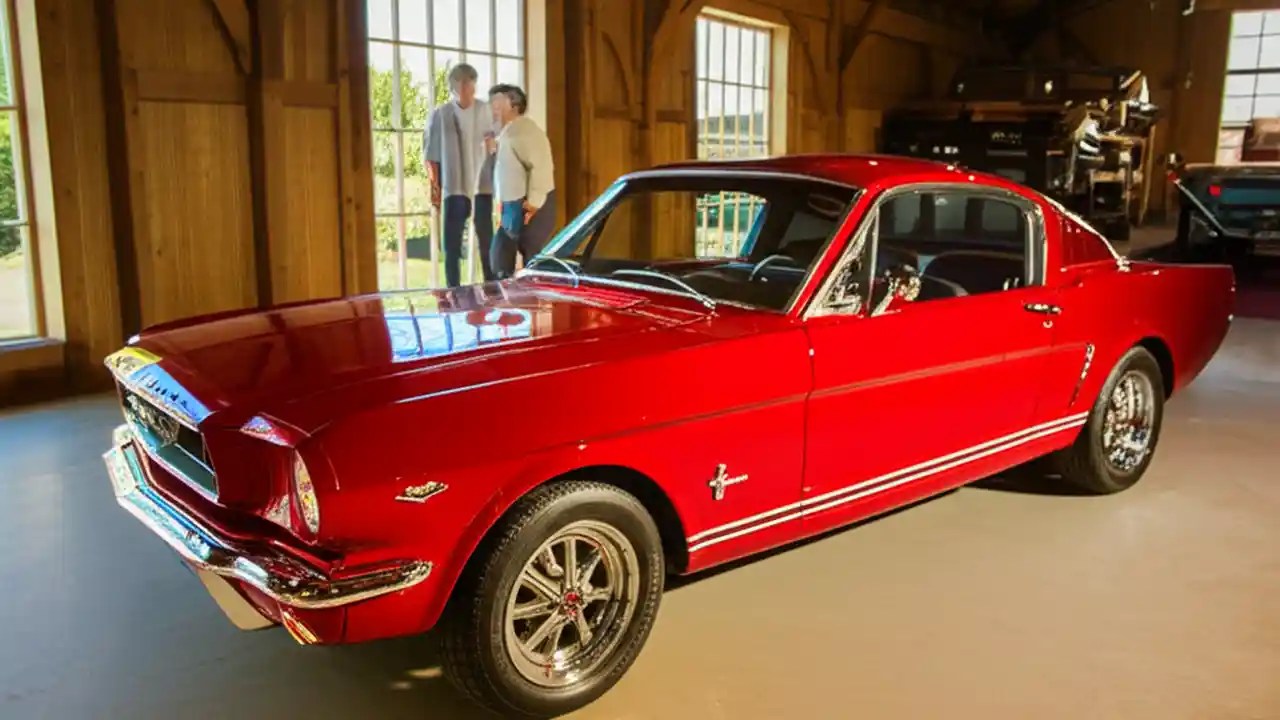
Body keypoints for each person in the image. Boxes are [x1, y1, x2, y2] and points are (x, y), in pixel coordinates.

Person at [424, 64, 497, 287]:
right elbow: (432, 156)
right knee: (452, 248)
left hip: (482, 187)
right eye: (461, 83)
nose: (466, 87)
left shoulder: (486, 110)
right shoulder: (441, 114)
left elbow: (499, 146)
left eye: (470, 82)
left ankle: (491, 291)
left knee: (487, 243)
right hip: (454, 188)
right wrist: (435, 189)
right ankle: (453, 293)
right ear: (453, 86)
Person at [487, 84, 556, 279]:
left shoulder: (524, 130)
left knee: (527, 258)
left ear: (514, 105)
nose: (492, 107)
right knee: (502, 256)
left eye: (497, 102)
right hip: (515, 205)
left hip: (528, 206)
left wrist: (534, 202)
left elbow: (540, 166)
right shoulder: (510, 133)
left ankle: (528, 304)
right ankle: (511, 303)